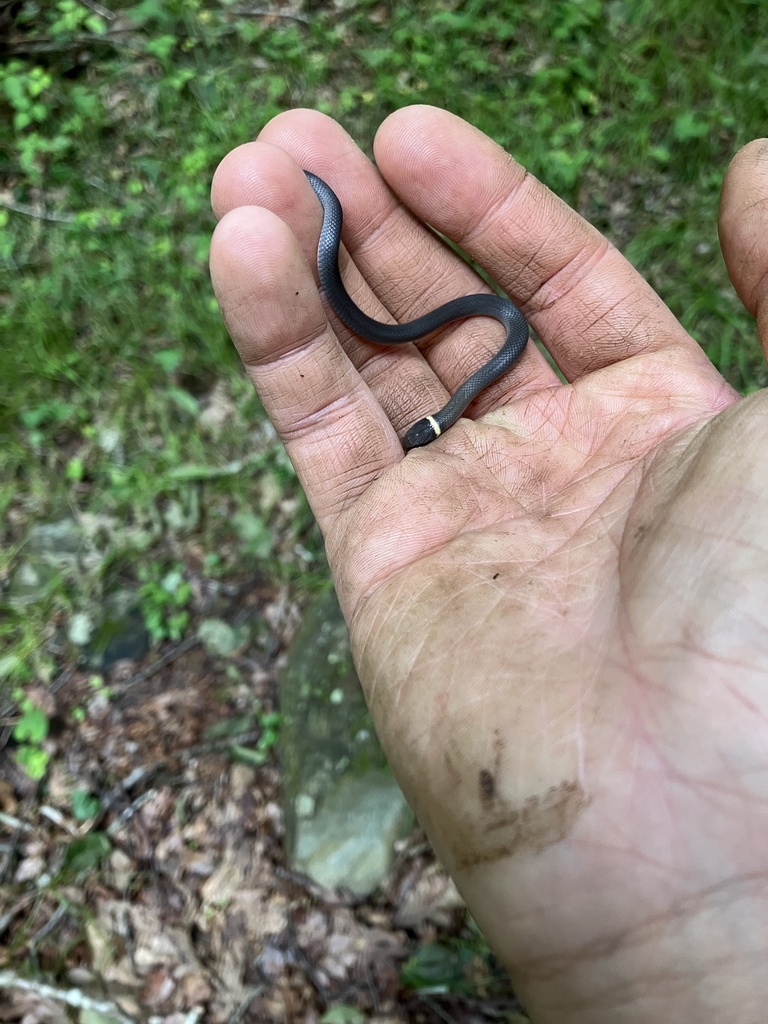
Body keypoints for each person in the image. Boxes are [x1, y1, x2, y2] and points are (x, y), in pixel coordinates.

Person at [210, 106, 768, 1023]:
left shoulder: (472, 384)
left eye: (428, 430)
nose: (426, 433)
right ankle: (313, 202)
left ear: (440, 421)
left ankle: (318, 202)